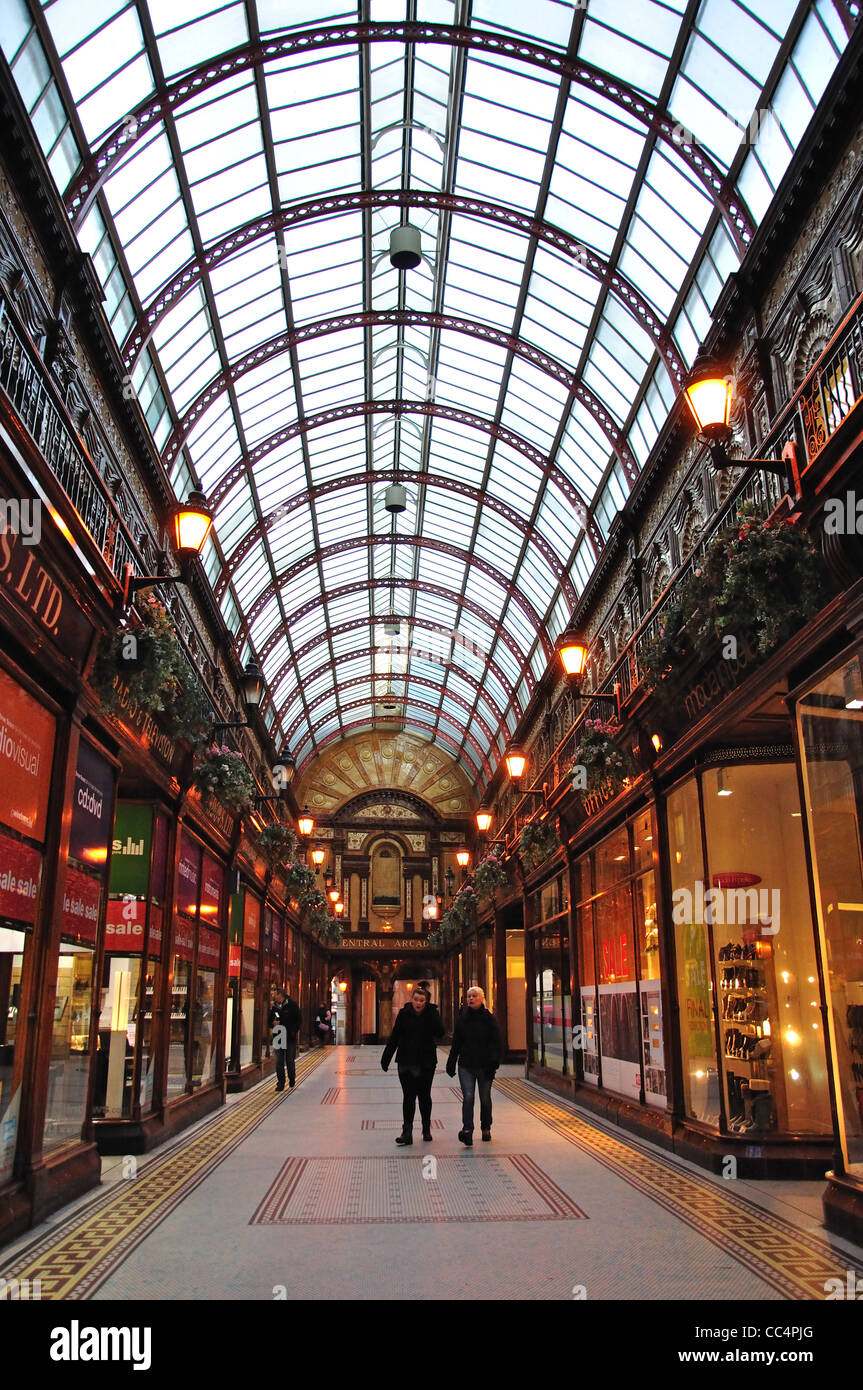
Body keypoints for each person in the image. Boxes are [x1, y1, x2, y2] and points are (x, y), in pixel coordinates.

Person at [381, 983, 445, 1145]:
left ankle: (426, 1128)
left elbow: (440, 1032)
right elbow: (395, 1036)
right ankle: (407, 1132)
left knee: (424, 1096)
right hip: (406, 1061)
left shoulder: (432, 1014)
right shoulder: (404, 1014)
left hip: (426, 1062)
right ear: (412, 999)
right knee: (408, 1097)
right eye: (416, 999)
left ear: (426, 1001)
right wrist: (386, 1057)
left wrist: (432, 1014)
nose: (418, 1003)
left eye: (422, 1000)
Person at [446, 984, 502, 1146]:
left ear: (482, 999)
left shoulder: (489, 1019)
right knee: (468, 1097)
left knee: (484, 1098)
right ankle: (467, 1130)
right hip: (466, 1065)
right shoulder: (462, 1019)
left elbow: (497, 1042)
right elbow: (456, 1042)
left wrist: (494, 1062)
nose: (470, 998)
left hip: (485, 1065)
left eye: (474, 996)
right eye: (469, 996)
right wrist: (451, 1061)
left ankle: (486, 1127)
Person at [269, 987, 301, 1091]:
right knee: (279, 1061)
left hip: (289, 1037)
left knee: (289, 1060)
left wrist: (293, 1031)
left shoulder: (292, 1005)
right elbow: (269, 1020)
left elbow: (299, 1020)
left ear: (280, 995)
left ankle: (292, 1079)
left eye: (275, 994)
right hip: (278, 1036)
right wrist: (272, 1023)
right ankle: (280, 1083)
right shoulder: (274, 1007)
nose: (274, 996)